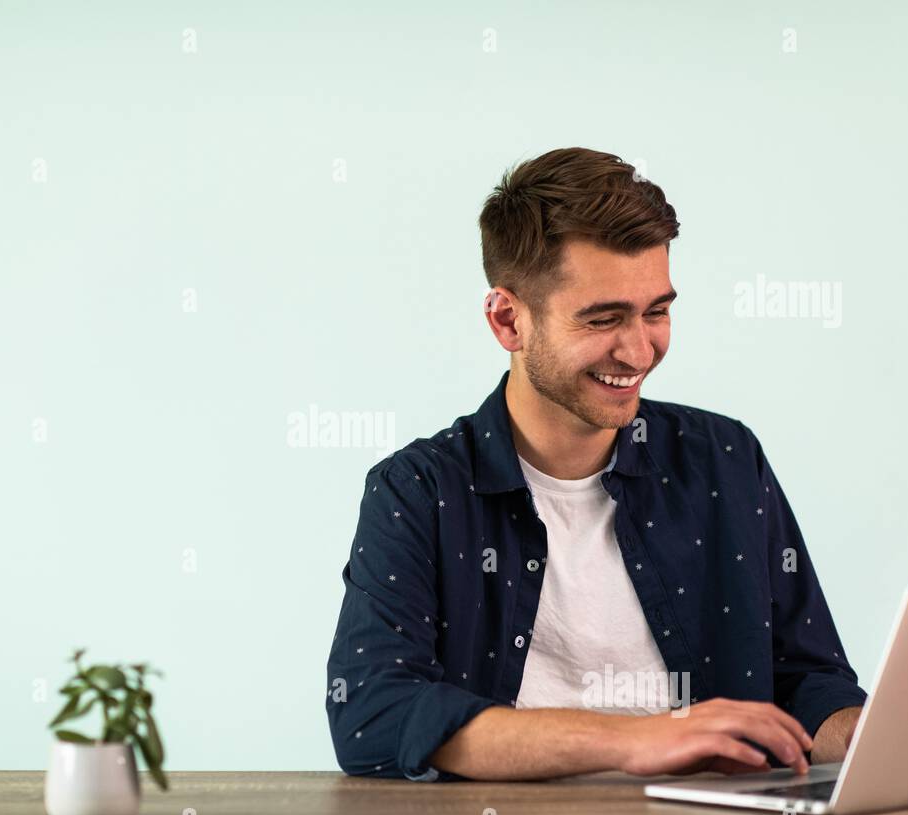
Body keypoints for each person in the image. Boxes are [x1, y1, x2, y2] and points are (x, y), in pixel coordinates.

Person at [324, 147, 866, 782]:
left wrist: (874, 736)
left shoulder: (725, 459)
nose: (639, 350)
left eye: (657, 311)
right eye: (603, 318)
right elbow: (373, 714)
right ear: (508, 320)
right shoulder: (417, 489)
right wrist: (637, 742)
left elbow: (807, 682)